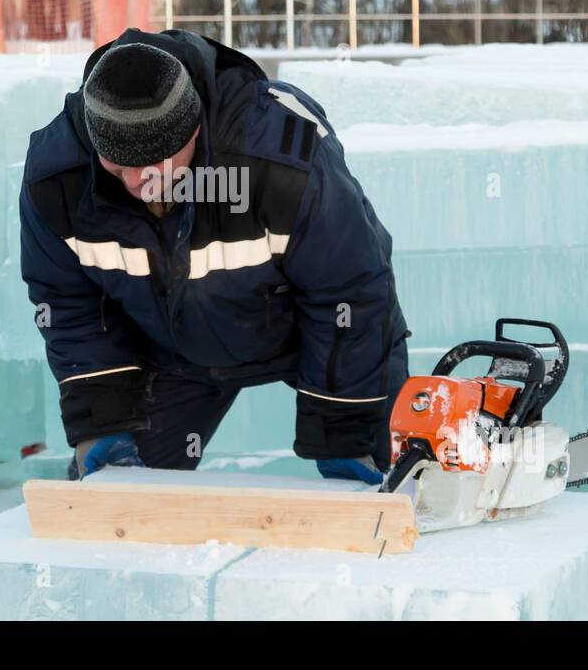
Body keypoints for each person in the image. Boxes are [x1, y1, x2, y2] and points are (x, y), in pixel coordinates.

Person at [20, 28, 409, 483]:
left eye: (157, 162)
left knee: (391, 487)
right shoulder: (58, 179)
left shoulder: (282, 158)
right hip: (169, 354)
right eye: (117, 163)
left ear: (195, 128)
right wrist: (103, 418)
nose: (135, 182)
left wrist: (346, 426)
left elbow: (351, 293)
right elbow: (69, 302)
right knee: (116, 500)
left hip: (308, 334)